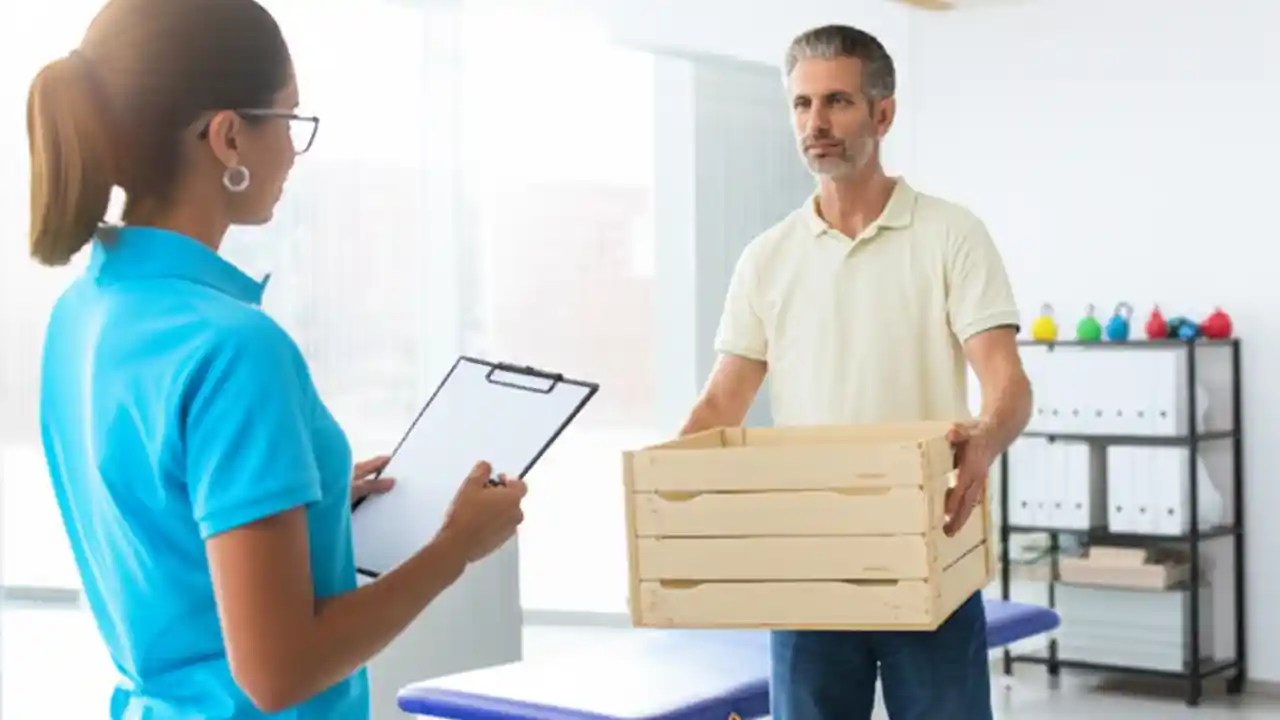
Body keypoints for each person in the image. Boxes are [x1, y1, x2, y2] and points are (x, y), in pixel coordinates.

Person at [27, 1, 526, 717]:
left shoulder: (84, 313)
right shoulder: (235, 349)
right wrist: (454, 548)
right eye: (289, 121)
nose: (293, 150)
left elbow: (166, 524)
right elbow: (278, 673)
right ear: (229, 137)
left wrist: (309, 503)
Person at [679, 24, 1032, 720]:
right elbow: (723, 402)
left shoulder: (951, 235)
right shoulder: (767, 257)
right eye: (802, 105)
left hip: (927, 548)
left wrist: (987, 436)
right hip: (808, 560)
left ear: (882, 112)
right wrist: (657, 492)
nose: (816, 123)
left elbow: (1007, 380)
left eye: (837, 101)